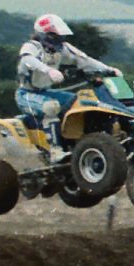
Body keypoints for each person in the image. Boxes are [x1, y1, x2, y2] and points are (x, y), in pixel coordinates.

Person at [16, 13, 121, 162]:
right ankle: (55, 150)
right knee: (50, 107)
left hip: (46, 91)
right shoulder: (32, 46)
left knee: (78, 102)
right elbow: (27, 59)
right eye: (56, 36)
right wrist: (48, 70)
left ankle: (79, 142)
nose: (60, 39)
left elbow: (84, 60)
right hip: (26, 94)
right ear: (47, 34)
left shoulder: (62, 49)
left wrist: (108, 69)